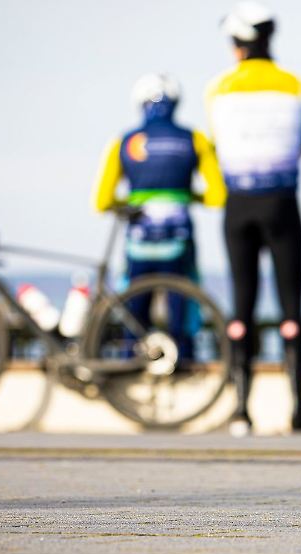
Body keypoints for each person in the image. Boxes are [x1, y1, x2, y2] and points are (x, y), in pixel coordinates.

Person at [205, 2, 301, 435]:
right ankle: (297, 408)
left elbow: (217, 142)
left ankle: (241, 410)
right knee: (290, 306)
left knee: (242, 303)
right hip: (282, 202)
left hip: (237, 204)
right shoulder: (295, 85)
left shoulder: (219, 87)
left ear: (236, 46)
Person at [92, 73, 225, 360]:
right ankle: (186, 361)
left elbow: (101, 201)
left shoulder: (124, 142)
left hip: (138, 242)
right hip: (178, 240)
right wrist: (185, 196)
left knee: (134, 308)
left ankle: (131, 364)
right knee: (183, 305)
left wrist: (132, 202)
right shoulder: (194, 139)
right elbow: (218, 196)